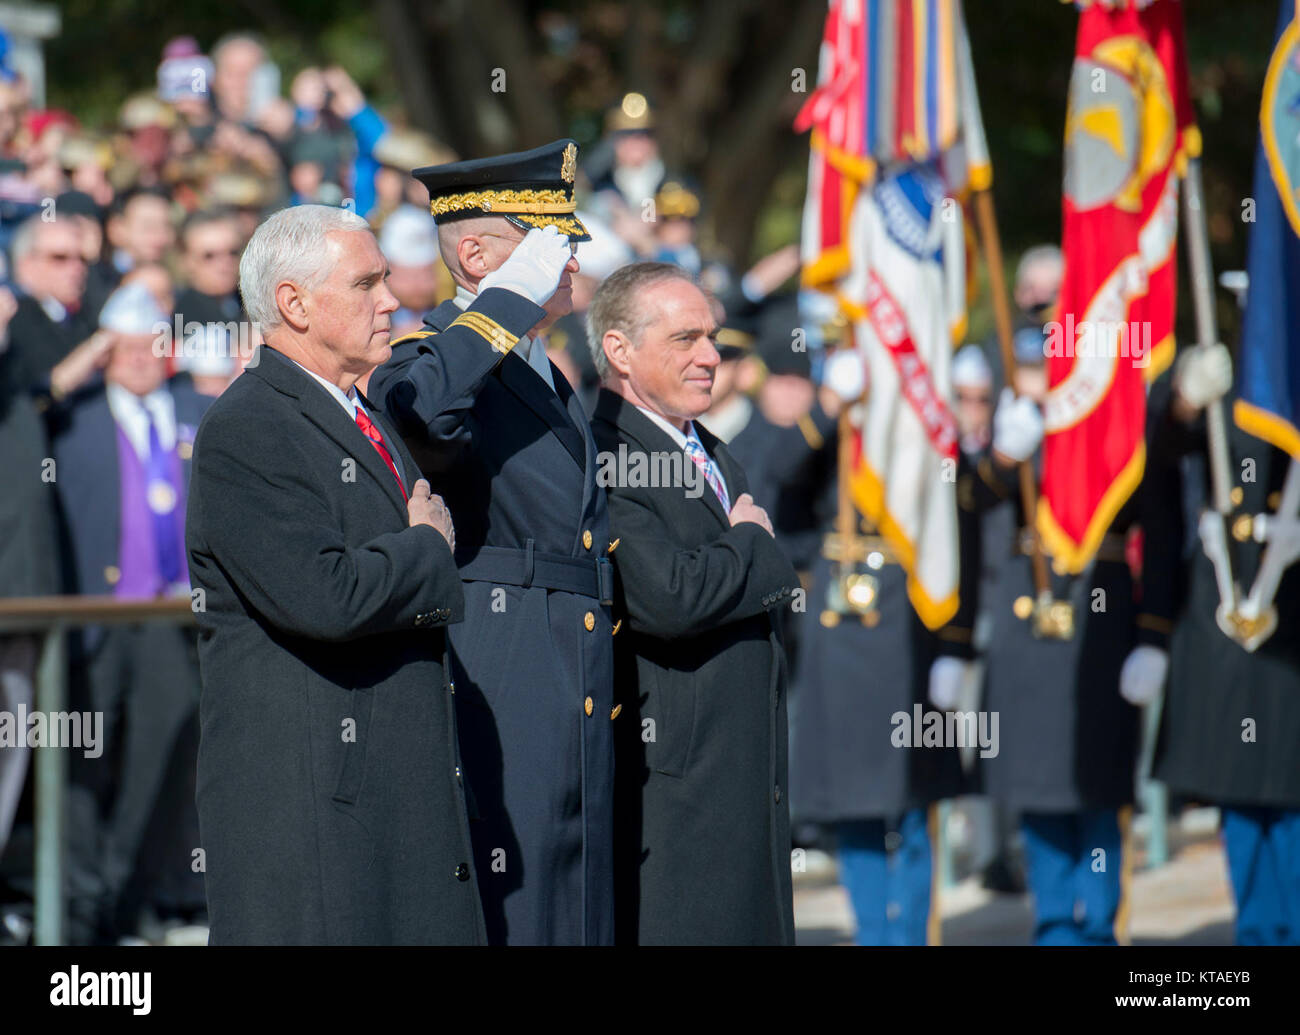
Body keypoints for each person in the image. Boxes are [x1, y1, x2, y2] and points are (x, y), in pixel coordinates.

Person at [186, 204, 481, 945]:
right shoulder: (249, 424)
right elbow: (326, 596)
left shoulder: (364, 413)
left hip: (383, 800)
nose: (392, 300)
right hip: (316, 812)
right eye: (367, 283)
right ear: (295, 303)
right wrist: (425, 548)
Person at [368, 139, 617, 945]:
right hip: (502, 654)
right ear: (475, 254)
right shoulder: (428, 356)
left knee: (577, 889)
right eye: (547, 243)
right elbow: (418, 408)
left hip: (568, 656)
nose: (570, 259)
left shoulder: (546, 366)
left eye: (569, 240)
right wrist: (505, 303)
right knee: (519, 888)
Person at [585, 261, 798, 944]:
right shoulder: (607, 449)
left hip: (734, 773)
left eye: (710, 337)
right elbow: (667, 597)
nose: (711, 356)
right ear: (620, 350)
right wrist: (753, 547)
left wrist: (745, 554)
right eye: (685, 339)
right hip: (677, 785)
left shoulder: (707, 447)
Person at [48, 282, 213, 942]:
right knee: (81, 760)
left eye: (154, 344)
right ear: (104, 350)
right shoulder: (73, 415)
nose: (143, 357)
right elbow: (32, 398)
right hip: (90, 617)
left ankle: (124, 893)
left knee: (160, 750)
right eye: (127, 345)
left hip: (167, 621)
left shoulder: (190, 411)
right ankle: (77, 903)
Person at [1148, 342, 1300, 945]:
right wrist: (1182, 399)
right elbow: (1159, 452)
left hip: (1292, 616)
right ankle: (1260, 933)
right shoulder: (1227, 396)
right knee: (1241, 791)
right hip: (1230, 612)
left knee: (1291, 790)